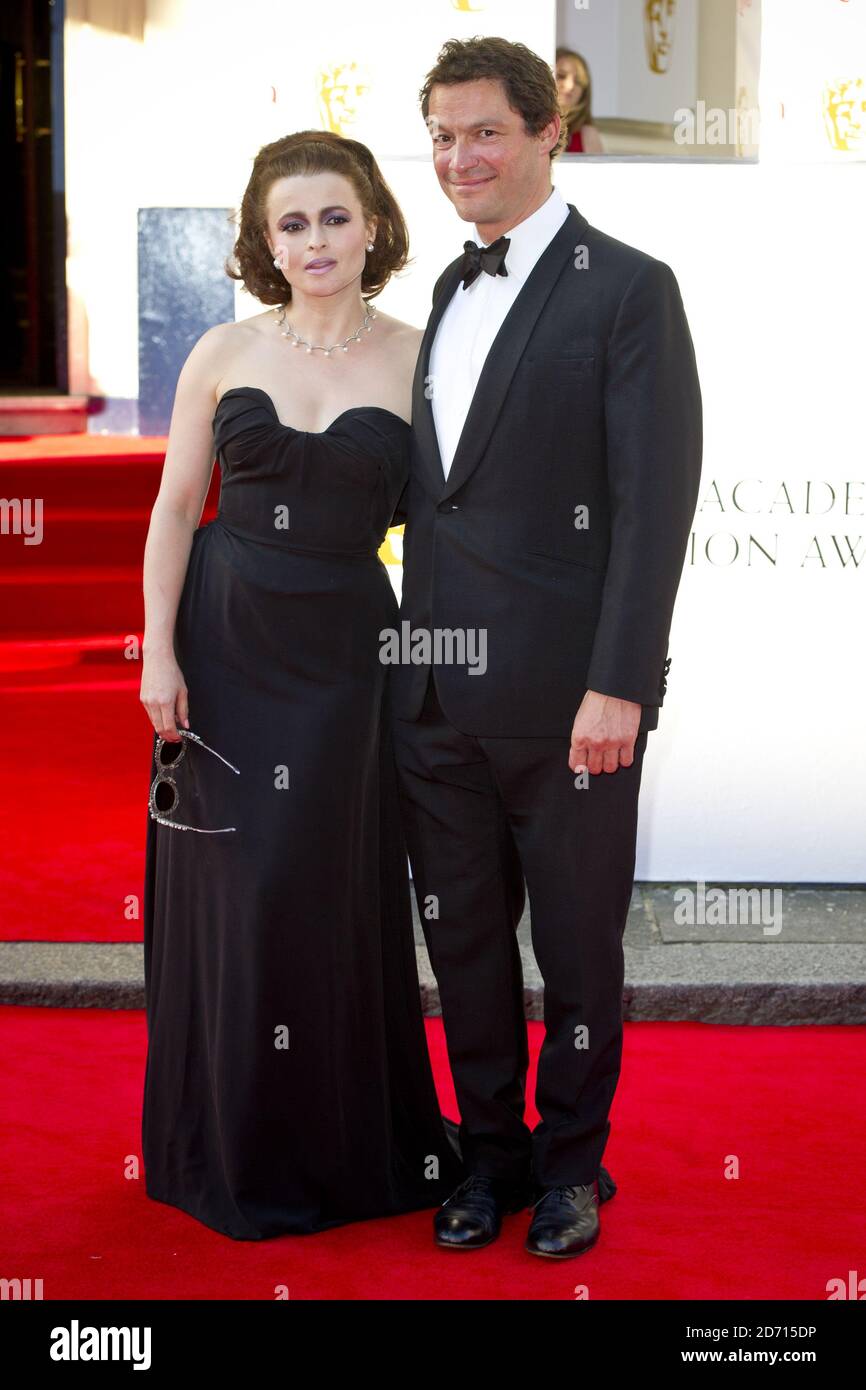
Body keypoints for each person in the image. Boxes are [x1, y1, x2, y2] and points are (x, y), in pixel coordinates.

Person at [390, 36, 702, 1258]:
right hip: (429, 701)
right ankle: (491, 1159)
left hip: (570, 699)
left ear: (545, 133)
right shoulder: (441, 293)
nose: (457, 157)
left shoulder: (627, 287)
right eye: (440, 136)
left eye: (481, 132)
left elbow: (652, 500)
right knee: (460, 946)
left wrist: (619, 682)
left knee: (575, 949)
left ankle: (573, 1166)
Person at [139, 130, 465, 1240]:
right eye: (292, 223)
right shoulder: (222, 349)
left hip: (345, 662)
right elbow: (177, 506)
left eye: (333, 216)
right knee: (240, 895)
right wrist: (158, 650)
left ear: (371, 222)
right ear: (262, 241)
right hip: (225, 644)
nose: (315, 239)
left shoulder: (423, 359)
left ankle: (337, 1146)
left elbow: (446, 536)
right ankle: (226, 1142)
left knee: (326, 894)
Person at [555, 48, 604, 155]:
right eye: (561, 76)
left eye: (578, 81)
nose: (570, 86)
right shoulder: (530, 127)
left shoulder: (588, 135)